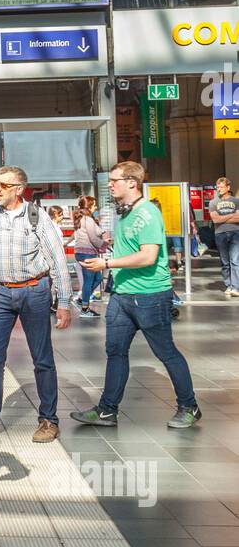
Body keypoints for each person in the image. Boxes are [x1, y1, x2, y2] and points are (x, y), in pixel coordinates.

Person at [71, 161, 201, 430]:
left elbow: (148, 256)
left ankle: (189, 406)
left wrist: (107, 264)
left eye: (115, 179)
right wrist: (112, 253)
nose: (110, 184)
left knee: (165, 352)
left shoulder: (148, 214)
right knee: (116, 352)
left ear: (132, 182)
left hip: (150, 296)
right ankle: (107, 410)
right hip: (122, 295)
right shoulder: (126, 214)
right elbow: (130, 249)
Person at [0, 166, 73, 444]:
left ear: (19, 189)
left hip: (34, 292)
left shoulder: (38, 218)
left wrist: (63, 301)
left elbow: (57, 260)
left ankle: (49, 420)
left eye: (3, 184)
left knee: (42, 358)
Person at [73, 201, 109, 318]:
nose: (96, 206)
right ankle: (84, 309)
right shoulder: (87, 219)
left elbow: (94, 233)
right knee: (89, 280)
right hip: (87, 253)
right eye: (94, 204)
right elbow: (93, 237)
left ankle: (81, 299)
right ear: (89, 206)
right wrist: (104, 245)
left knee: (98, 278)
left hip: (83, 252)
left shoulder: (85, 219)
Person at [208, 176, 239, 297]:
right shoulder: (213, 202)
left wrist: (223, 218)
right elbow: (215, 220)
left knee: (235, 261)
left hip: (236, 233)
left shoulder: (236, 201)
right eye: (218, 187)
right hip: (220, 234)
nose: (219, 189)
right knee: (225, 262)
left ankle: (236, 287)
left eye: (221, 187)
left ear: (228, 187)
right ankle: (229, 285)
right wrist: (231, 216)